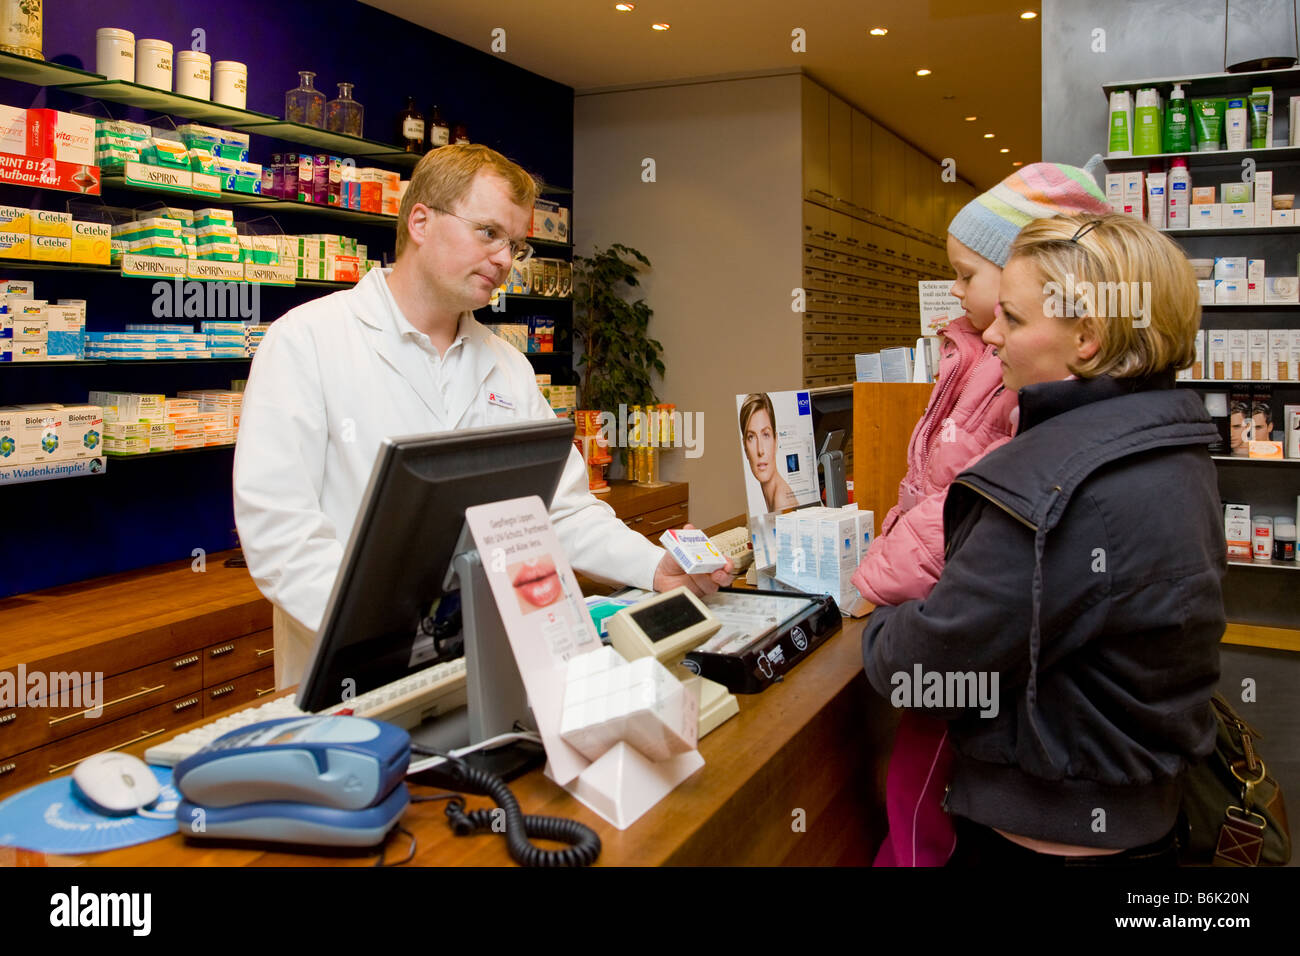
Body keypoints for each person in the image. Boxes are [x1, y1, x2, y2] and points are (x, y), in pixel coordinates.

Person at [234, 143, 731, 689]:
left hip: (482, 663)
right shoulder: (307, 341)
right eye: (489, 233)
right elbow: (281, 531)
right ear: (420, 221)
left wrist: (652, 566)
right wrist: (403, 631)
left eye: (515, 244)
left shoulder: (507, 366)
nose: (505, 259)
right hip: (350, 677)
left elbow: (560, 511)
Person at [862, 213, 1225, 866]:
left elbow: (921, 670)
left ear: (1085, 337)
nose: (991, 336)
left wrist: (884, 626)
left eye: (1015, 320)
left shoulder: (1044, 488)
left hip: (1049, 842)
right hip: (1146, 819)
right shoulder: (1171, 443)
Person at [851, 162, 1113, 867]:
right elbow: (927, 480)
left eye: (967, 274)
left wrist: (875, 576)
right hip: (944, 592)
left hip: (960, 604)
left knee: (922, 778)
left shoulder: (1025, 373)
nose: (956, 290)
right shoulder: (968, 353)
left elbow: (969, 500)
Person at [738, 392, 798, 513]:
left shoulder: (782, 500)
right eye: (751, 437)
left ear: (775, 441)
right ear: (745, 447)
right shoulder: (775, 495)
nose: (760, 450)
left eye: (766, 435)